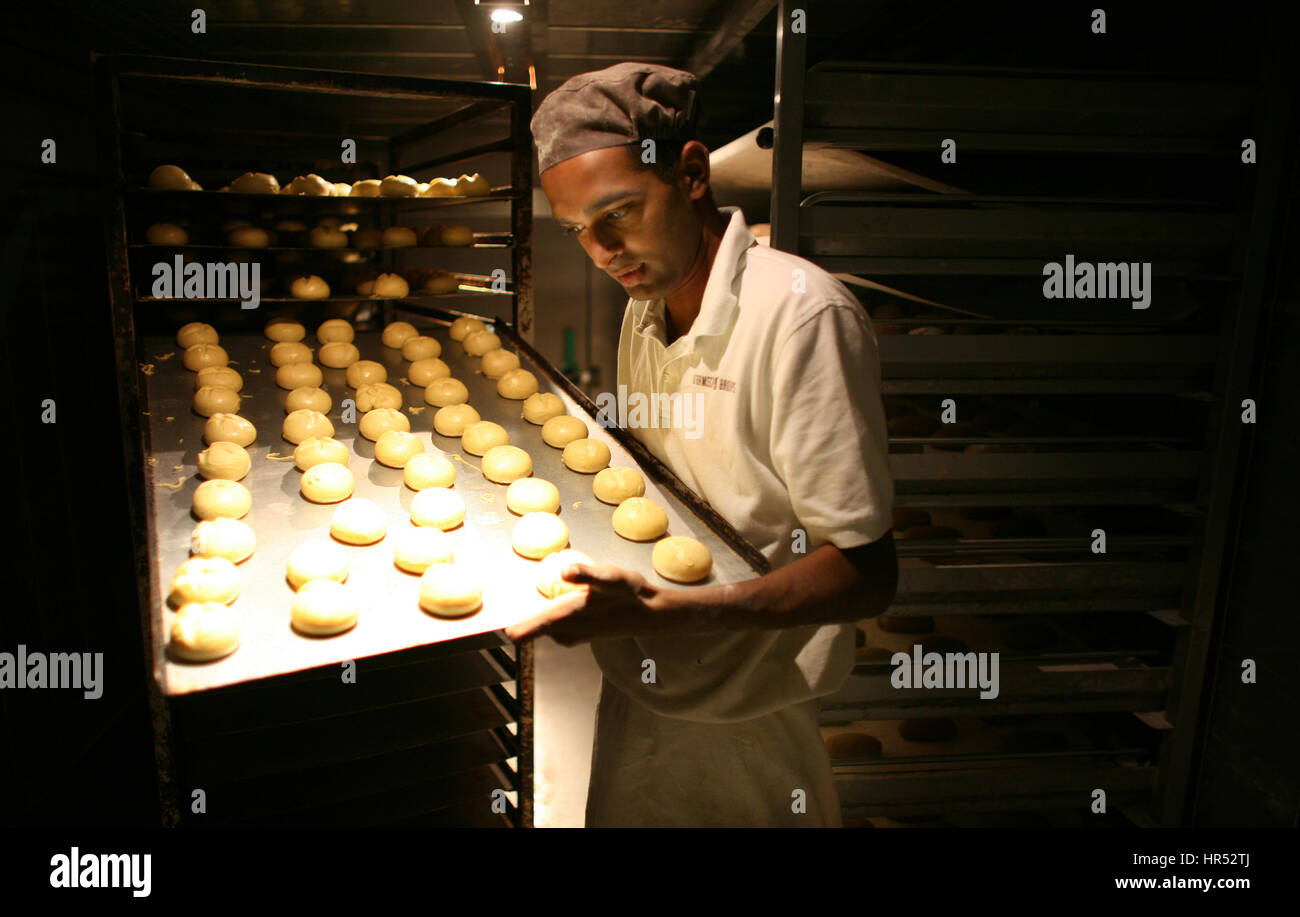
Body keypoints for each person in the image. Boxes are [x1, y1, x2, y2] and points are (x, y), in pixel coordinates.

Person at [506, 62, 898, 827]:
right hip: (641, 683)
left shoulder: (799, 318)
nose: (602, 250)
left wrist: (678, 616)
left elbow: (867, 570)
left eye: (618, 211)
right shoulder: (643, 309)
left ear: (689, 173)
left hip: (750, 712)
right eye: (578, 229)